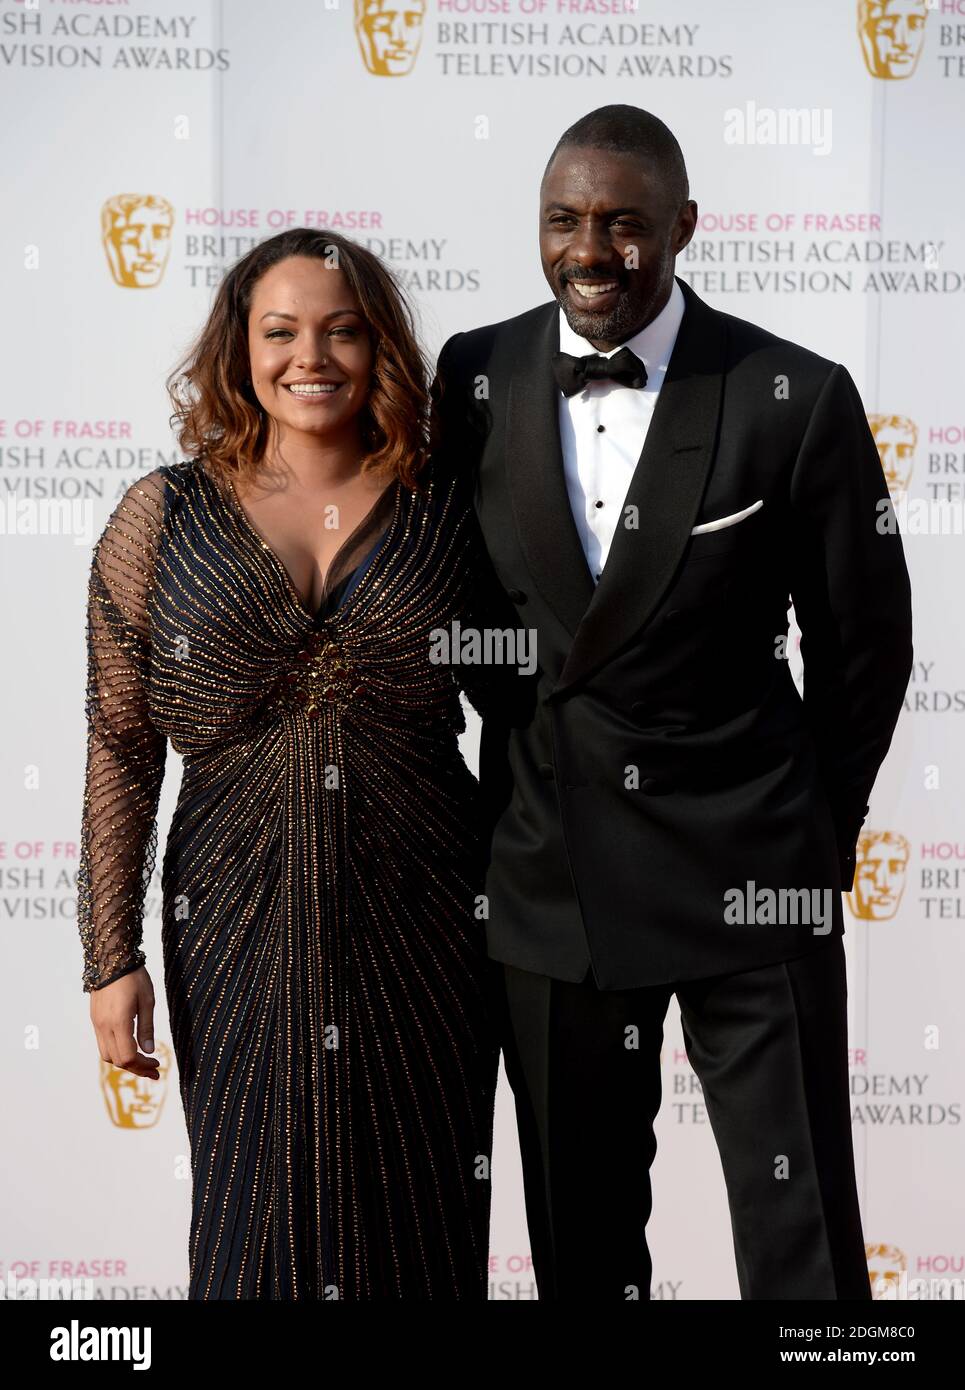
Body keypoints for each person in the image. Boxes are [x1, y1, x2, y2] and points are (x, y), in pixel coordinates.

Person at [429, 105, 913, 1300]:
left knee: (801, 1240)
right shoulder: (473, 374)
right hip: (553, 873)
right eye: (562, 219)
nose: (589, 251)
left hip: (749, 865)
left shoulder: (790, 393)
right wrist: (531, 742)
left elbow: (864, 645)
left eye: (623, 223)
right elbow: (454, 601)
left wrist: (808, 834)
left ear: (684, 227)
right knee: (581, 1245)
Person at [77, 228, 513, 1300]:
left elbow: (532, 706)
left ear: (380, 350)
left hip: (428, 914)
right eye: (279, 331)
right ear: (240, 349)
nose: (308, 357)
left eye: (341, 330)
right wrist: (107, 957)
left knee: (417, 1201)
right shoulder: (161, 514)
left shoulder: (449, 506)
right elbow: (120, 744)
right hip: (230, 910)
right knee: (250, 1202)